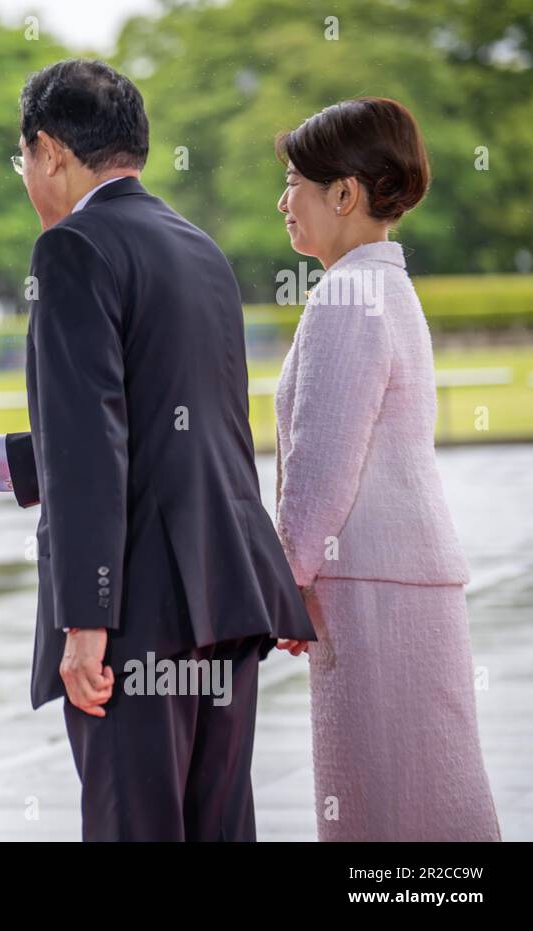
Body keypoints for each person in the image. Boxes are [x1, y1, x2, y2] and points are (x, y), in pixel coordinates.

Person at [0, 59, 314, 841]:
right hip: (222, 589)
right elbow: (164, 427)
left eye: (22, 157)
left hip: (136, 608)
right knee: (219, 825)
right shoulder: (198, 248)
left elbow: (96, 446)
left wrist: (86, 620)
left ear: (50, 149)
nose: (26, 175)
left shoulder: (71, 248)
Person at [272, 98, 500, 841]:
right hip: (401, 580)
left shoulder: (346, 293)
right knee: (433, 802)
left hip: (368, 587)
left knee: (382, 813)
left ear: (345, 194)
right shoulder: (386, 285)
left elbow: (321, 464)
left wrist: (283, 579)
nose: (285, 200)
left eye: (296, 180)